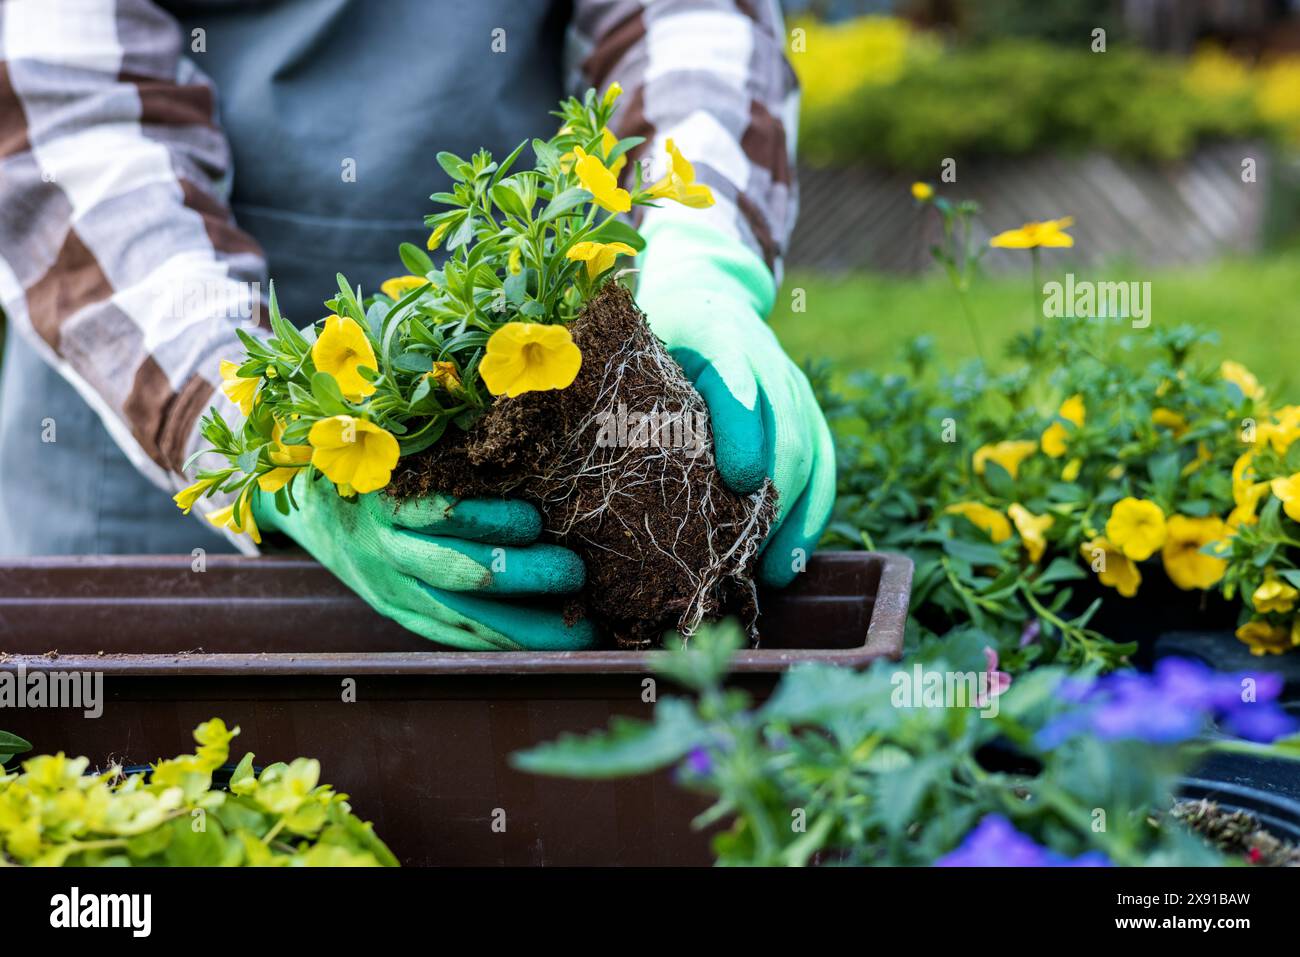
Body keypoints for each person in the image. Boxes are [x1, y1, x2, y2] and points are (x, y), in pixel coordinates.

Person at [0, 0, 835, 649]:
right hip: (152, 440)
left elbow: (688, 22)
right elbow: (70, 114)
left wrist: (693, 257)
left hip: (537, 395)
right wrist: (265, 433)